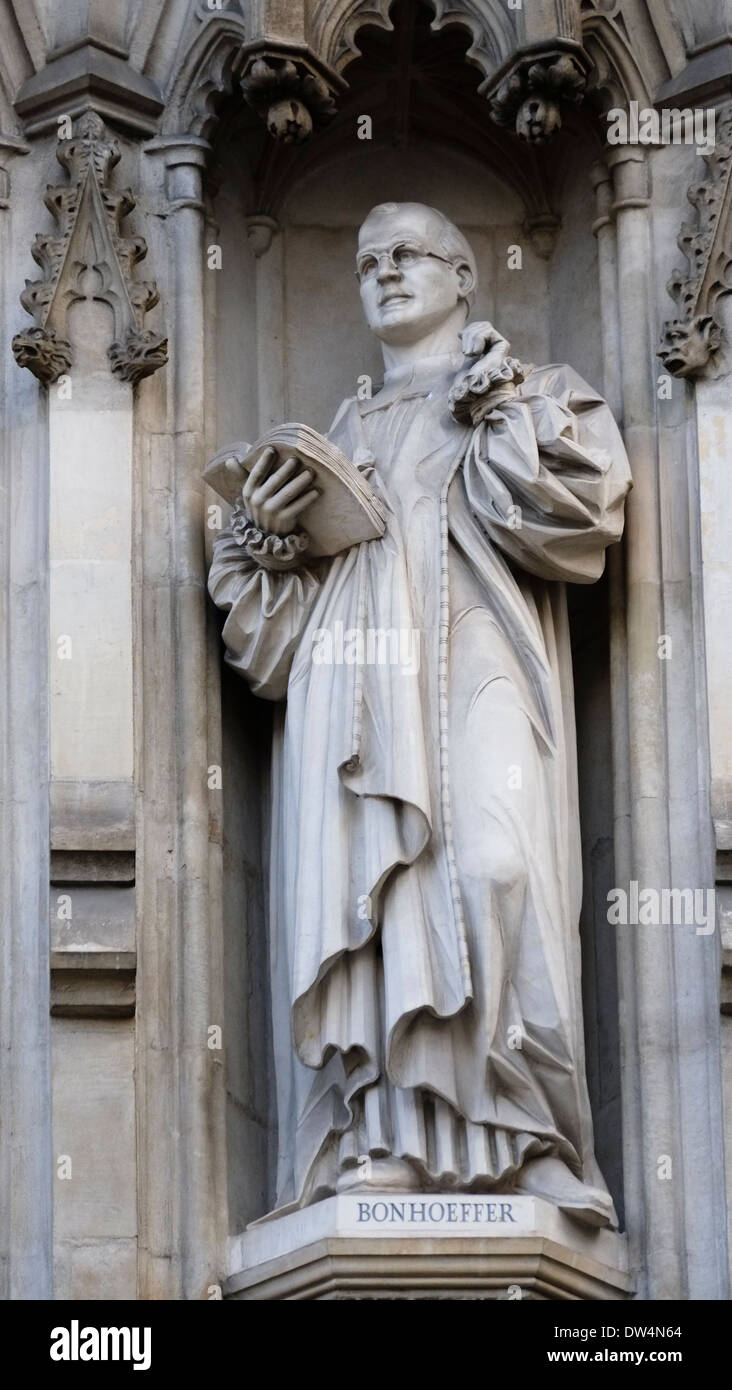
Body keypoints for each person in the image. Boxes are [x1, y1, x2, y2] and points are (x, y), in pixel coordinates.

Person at [208, 201, 631, 1226]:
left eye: (408, 254)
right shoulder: (341, 431)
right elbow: (274, 644)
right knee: (384, 908)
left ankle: (530, 1138)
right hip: (357, 703)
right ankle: (387, 1137)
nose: (384, 272)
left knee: (497, 862)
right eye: (365, 262)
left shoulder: (529, 391)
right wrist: (264, 544)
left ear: (462, 276)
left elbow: (583, 517)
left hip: (481, 656)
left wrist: (502, 414)